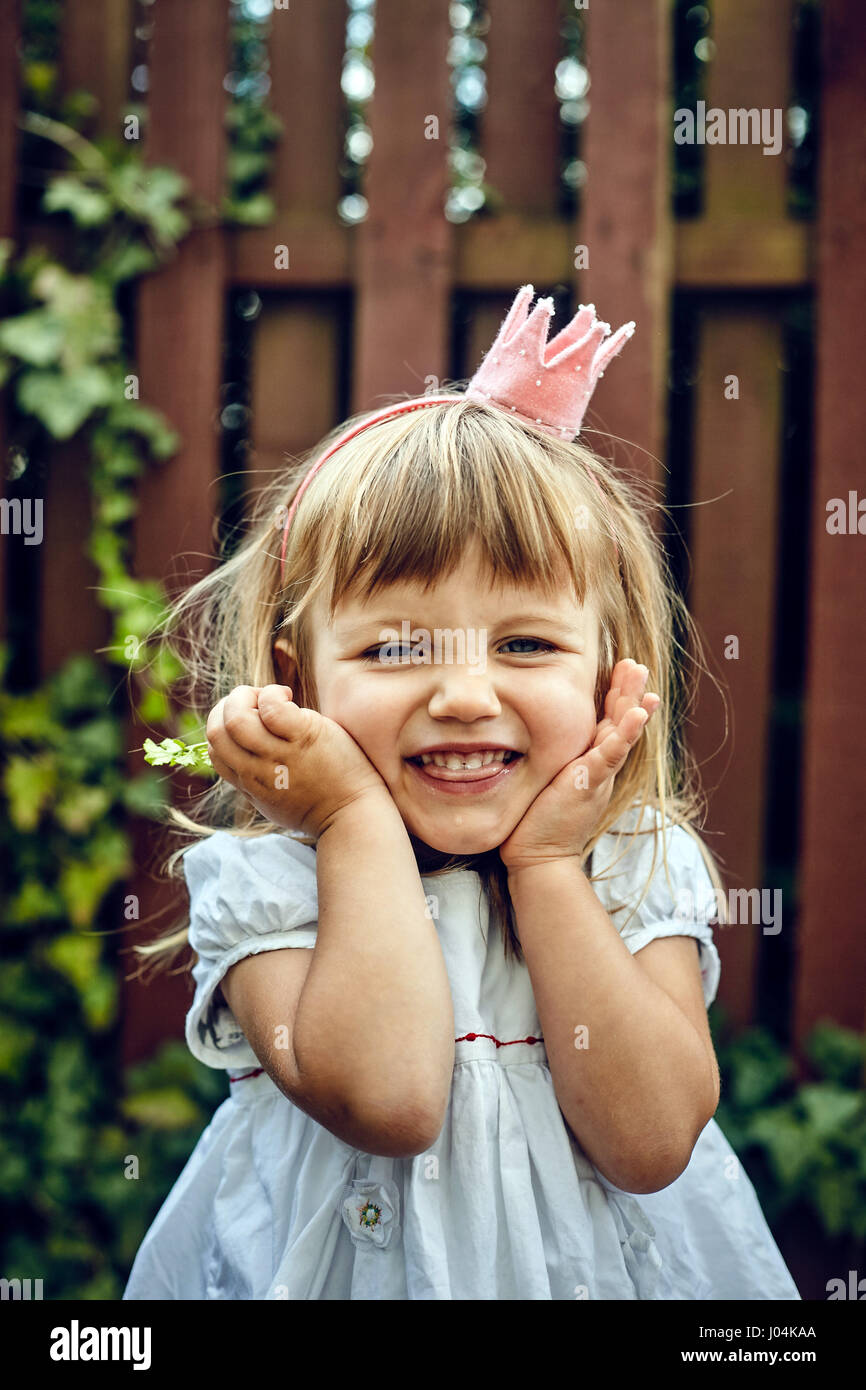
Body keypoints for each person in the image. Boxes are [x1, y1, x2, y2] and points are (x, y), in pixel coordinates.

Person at [123, 286, 800, 1300]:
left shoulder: (632, 865)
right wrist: (352, 821)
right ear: (295, 682)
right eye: (395, 646)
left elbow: (652, 1140)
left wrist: (545, 869)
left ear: (604, 672)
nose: (463, 694)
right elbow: (390, 1098)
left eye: (524, 643)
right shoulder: (270, 885)